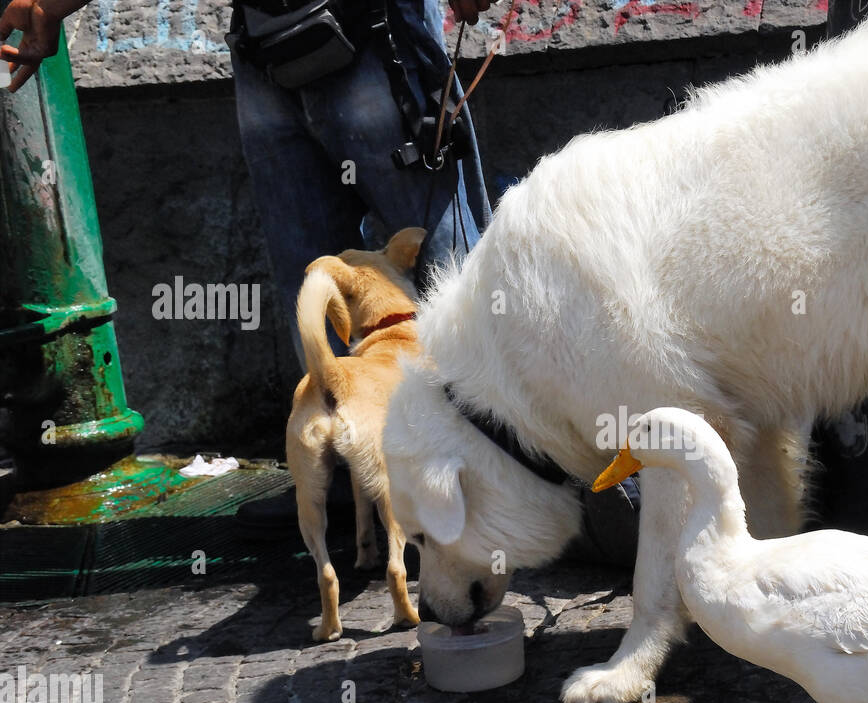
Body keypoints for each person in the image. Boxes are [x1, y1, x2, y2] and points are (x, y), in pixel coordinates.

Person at [2, 0, 497, 529]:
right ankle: (344, 486)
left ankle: (483, 485)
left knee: (446, 273)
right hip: (267, 48)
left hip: (377, 39)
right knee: (309, 284)